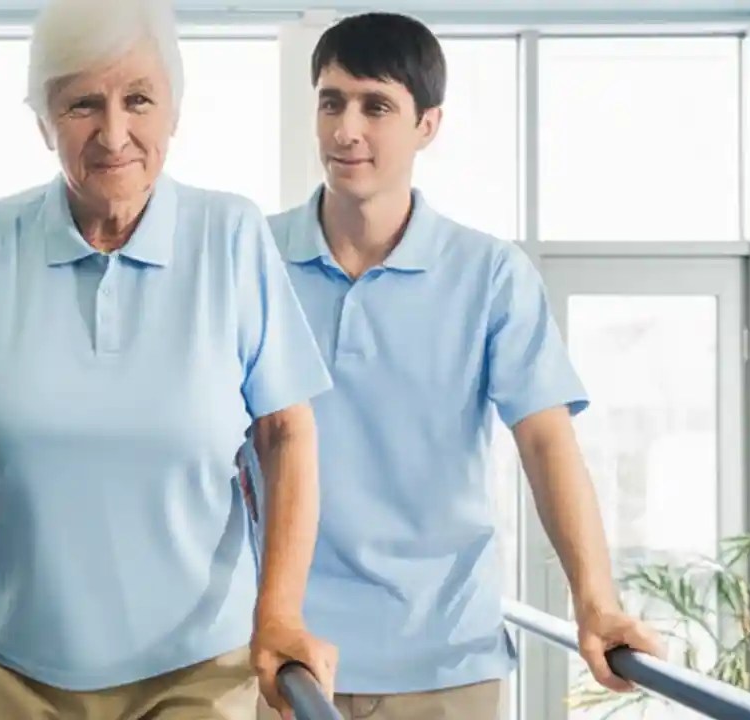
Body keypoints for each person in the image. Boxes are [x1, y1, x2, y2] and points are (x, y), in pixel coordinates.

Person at [0, 0, 340, 717]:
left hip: (196, 668)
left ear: (173, 109)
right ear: (44, 120)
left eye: (138, 99)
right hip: (12, 668)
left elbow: (285, 432)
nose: (114, 133)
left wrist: (279, 613)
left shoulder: (229, 236)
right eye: (83, 103)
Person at [245, 12, 665, 719]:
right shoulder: (251, 257)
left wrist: (598, 605)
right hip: (283, 654)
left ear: (428, 126)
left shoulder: (490, 274)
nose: (347, 129)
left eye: (376, 105)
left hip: (443, 658)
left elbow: (545, 439)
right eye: (331, 101)